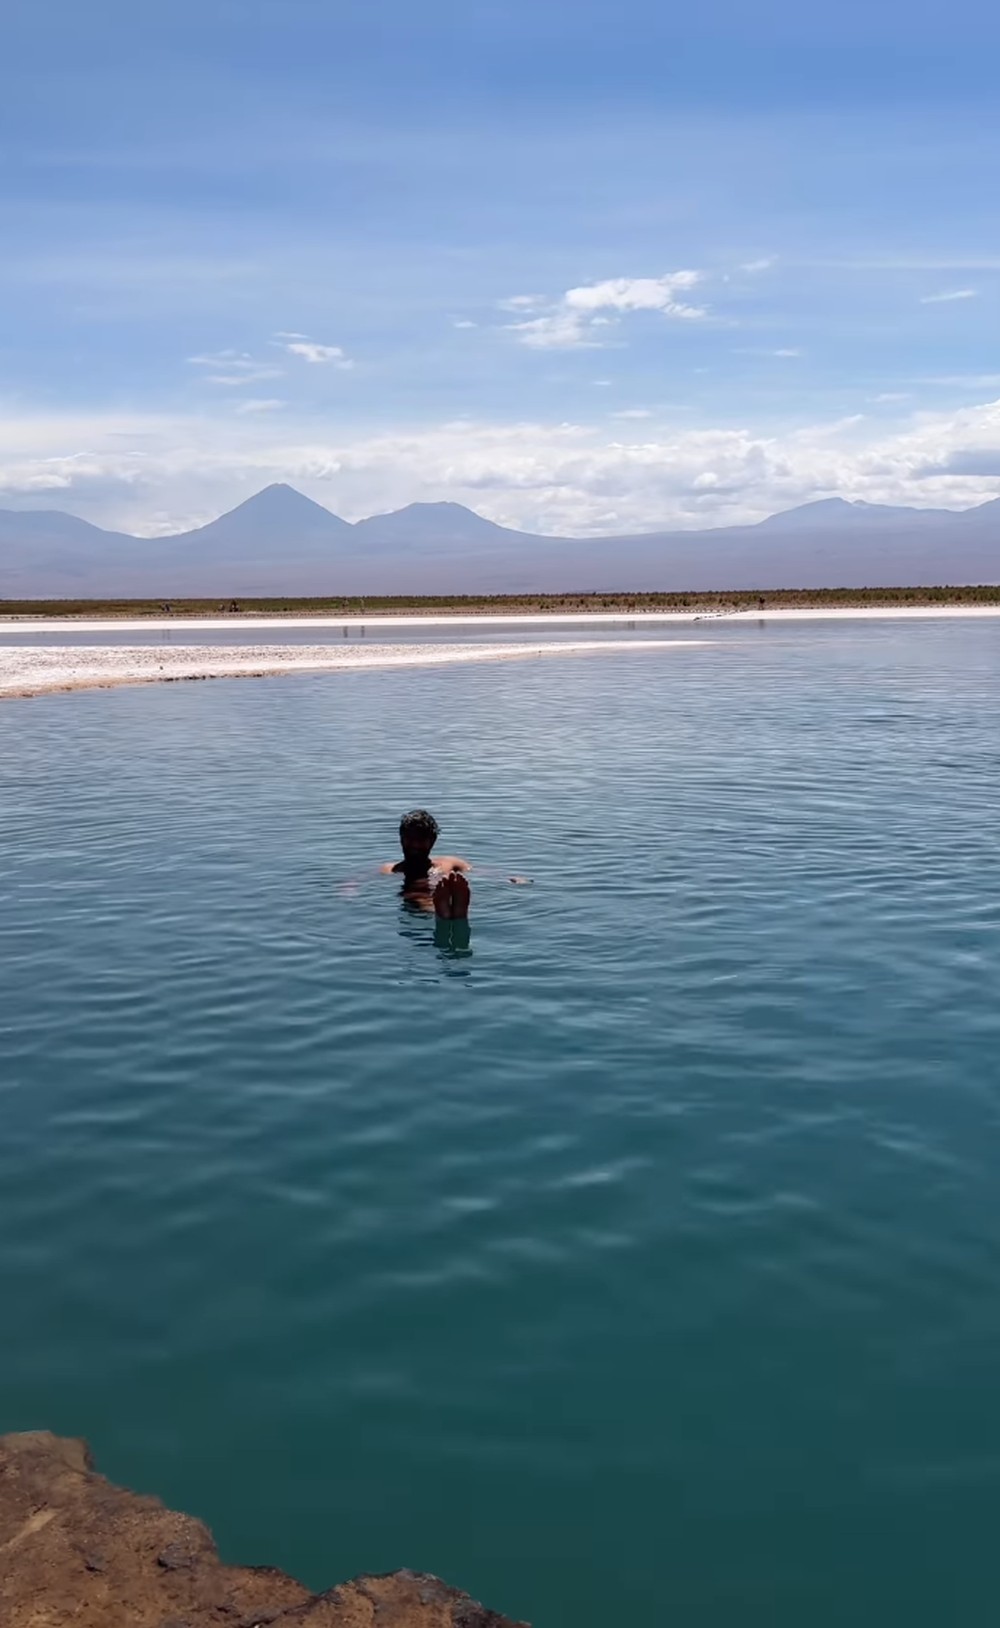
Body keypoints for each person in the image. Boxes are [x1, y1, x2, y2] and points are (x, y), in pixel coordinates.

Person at [381, 809, 472, 918]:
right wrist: (354, 885)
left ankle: (444, 910)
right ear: (401, 839)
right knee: (416, 897)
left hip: (431, 894)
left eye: (420, 839)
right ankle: (445, 910)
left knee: (418, 897)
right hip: (417, 895)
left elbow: (481, 872)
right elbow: (362, 878)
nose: (415, 845)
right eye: (410, 839)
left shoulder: (452, 863)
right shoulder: (390, 869)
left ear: (433, 841)